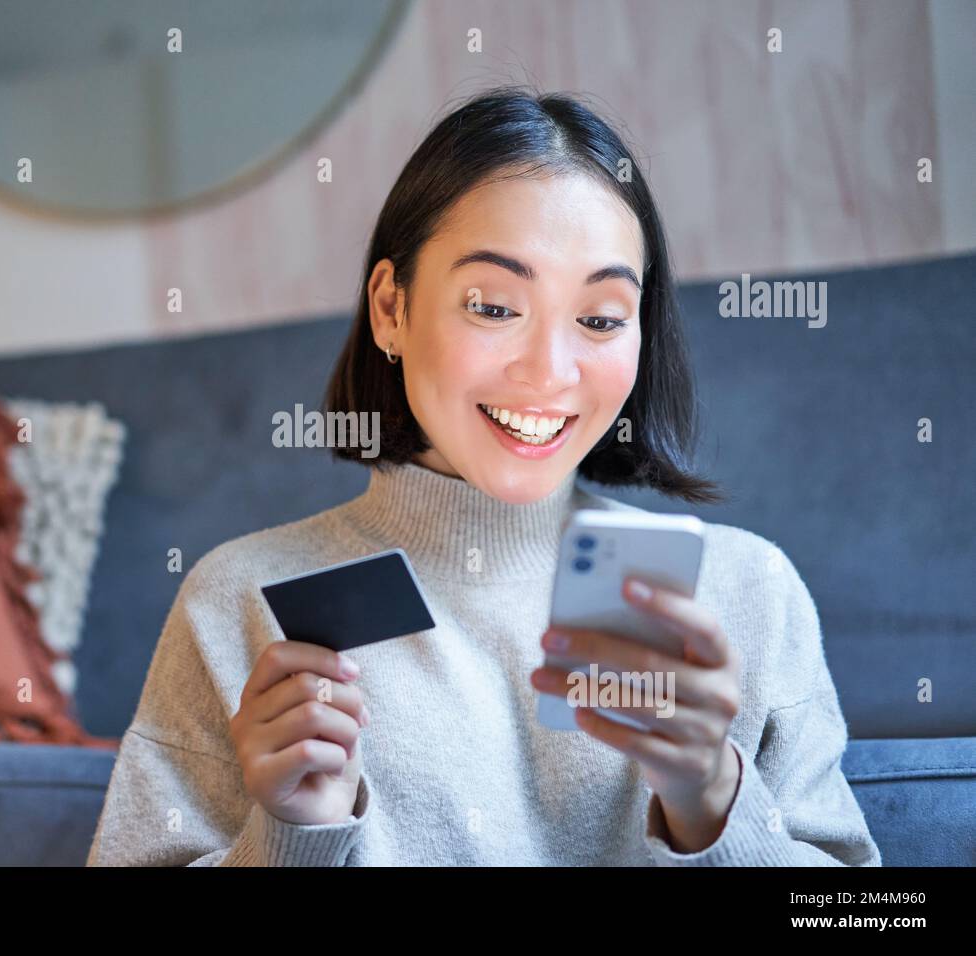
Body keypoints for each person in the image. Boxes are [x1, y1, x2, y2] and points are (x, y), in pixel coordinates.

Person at [85, 87, 882, 866]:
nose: (550, 371)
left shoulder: (749, 591)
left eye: (601, 319)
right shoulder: (239, 599)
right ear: (391, 309)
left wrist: (712, 800)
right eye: (495, 306)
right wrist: (292, 840)